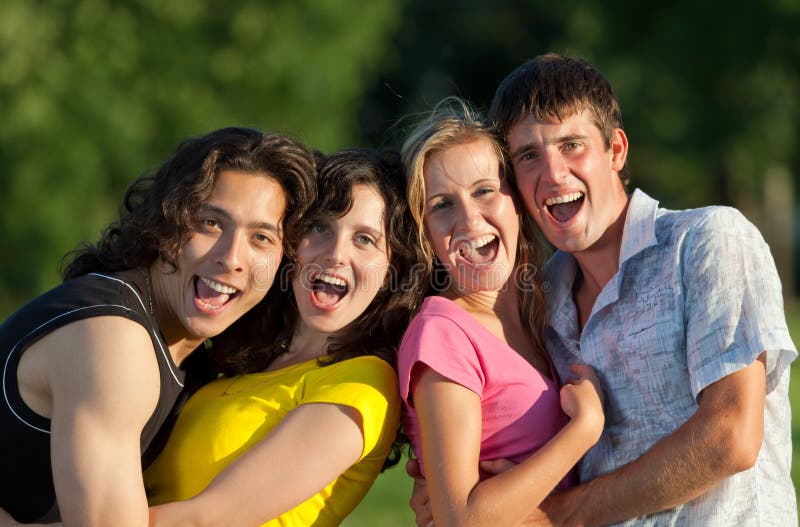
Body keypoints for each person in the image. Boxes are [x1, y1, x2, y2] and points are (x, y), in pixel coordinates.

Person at [412, 53, 798, 526]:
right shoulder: (540, 305)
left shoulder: (706, 241)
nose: (553, 174)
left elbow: (730, 437)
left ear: (616, 150)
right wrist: (449, 489)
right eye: (529, 156)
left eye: (571, 145)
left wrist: (557, 516)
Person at [0, 127, 316, 526]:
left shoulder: (184, 352)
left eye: (261, 238)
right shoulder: (114, 336)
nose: (232, 257)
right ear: (168, 221)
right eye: (211, 223)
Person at [143, 148, 425, 526]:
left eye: (364, 239)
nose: (336, 254)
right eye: (320, 228)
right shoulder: (242, 354)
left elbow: (205, 520)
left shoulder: (363, 384)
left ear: (392, 270)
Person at [398, 97, 605, 526]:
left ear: (516, 200)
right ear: (425, 232)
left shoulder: (540, 310)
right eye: (442, 205)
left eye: (483, 191)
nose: (469, 220)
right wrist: (583, 430)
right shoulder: (443, 333)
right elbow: (462, 520)